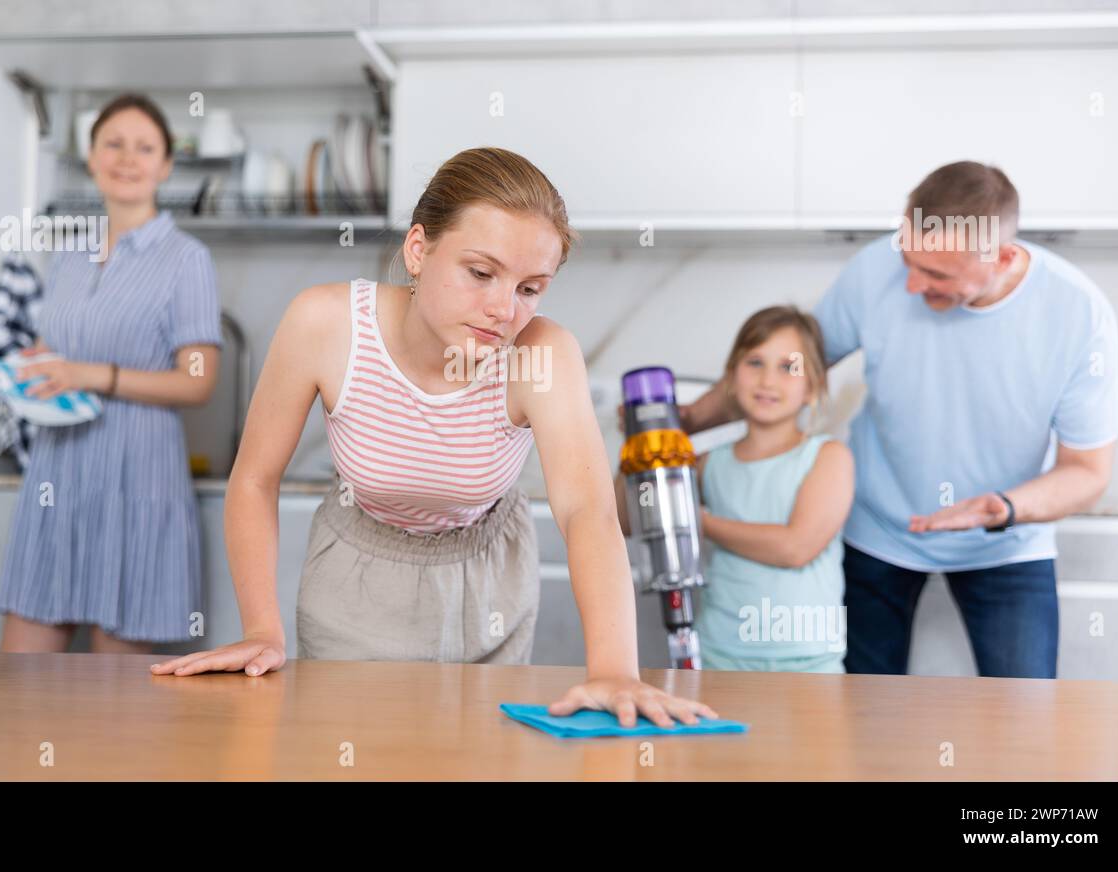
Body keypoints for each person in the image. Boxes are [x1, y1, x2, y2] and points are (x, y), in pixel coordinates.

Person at [153, 147, 717, 728]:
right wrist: (261, 631)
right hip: (355, 578)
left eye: (530, 288)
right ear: (418, 250)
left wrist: (616, 669)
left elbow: (588, 512)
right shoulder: (325, 323)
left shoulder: (540, 354)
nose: (503, 309)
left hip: (489, 582)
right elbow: (254, 478)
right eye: (480, 273)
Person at [680, 161, 1118, 678]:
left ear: (1000, 257)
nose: (911, 284)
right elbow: (791, 369)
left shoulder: (1078, 314)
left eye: (936, 274)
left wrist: (1003, 507)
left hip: (1005, 543)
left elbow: (1088, 471)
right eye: (908, 259)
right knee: (868, 720)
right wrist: (681, 419)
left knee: (1025, 717)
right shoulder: (874, 270)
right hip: (878, 532)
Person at [0, 93, 222, 654]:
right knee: (16, 685)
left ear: (165, 165)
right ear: (91, 157)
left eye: (144, 147)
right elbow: (54, 352)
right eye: (113, 144)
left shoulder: (186, 259)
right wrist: (30, 368)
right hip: (57, 473)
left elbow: (198, 379)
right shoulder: (69, 258)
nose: (127, 158)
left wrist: (93, 375)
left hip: (137, 478)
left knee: (119, 711)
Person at [622, 307, 854, 672]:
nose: (768, 380)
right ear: (730, 377)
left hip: (810, 665)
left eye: (788, 367)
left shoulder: (828, 457)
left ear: (812, 387)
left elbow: (795, 548)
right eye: (755, 362)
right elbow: (628, 519)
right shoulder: (708, 463)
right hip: (719, 658)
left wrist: (700, 522)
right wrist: (642, 444)